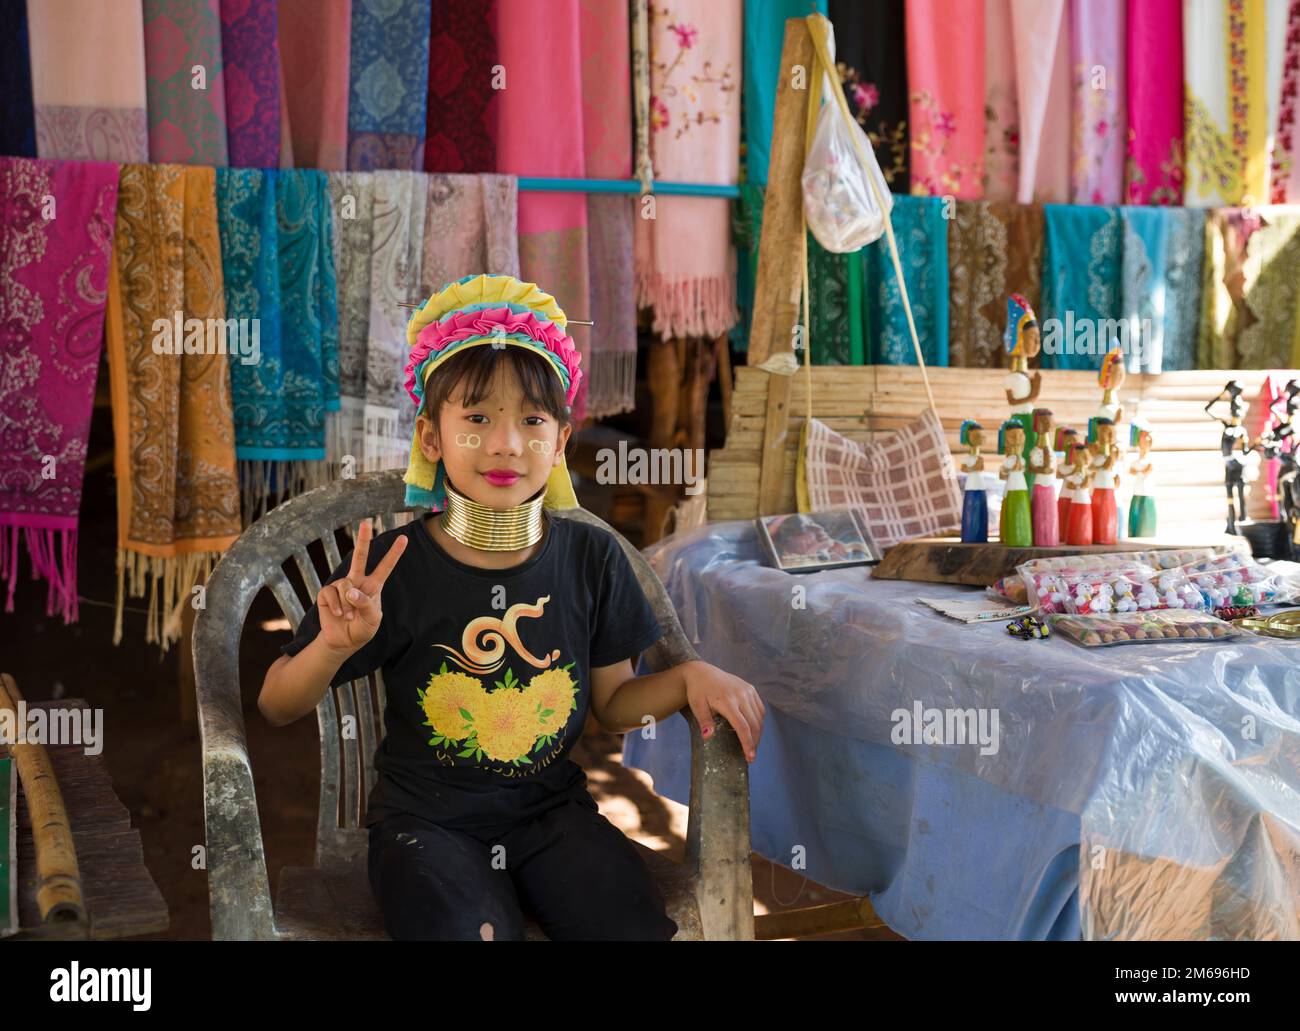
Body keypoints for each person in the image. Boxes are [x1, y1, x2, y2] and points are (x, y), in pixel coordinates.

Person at [258, 274, 766, 941]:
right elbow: (276, 704)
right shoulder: (389, 571)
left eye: (531, 419)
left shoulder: (592, 558)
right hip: (425, 825)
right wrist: (333, 642)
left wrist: (689, 678)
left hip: (551, 816)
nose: (505, 443)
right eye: (476, 418)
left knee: (628, 924)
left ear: (560, 441)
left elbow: (612, 707)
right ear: (432, 437)